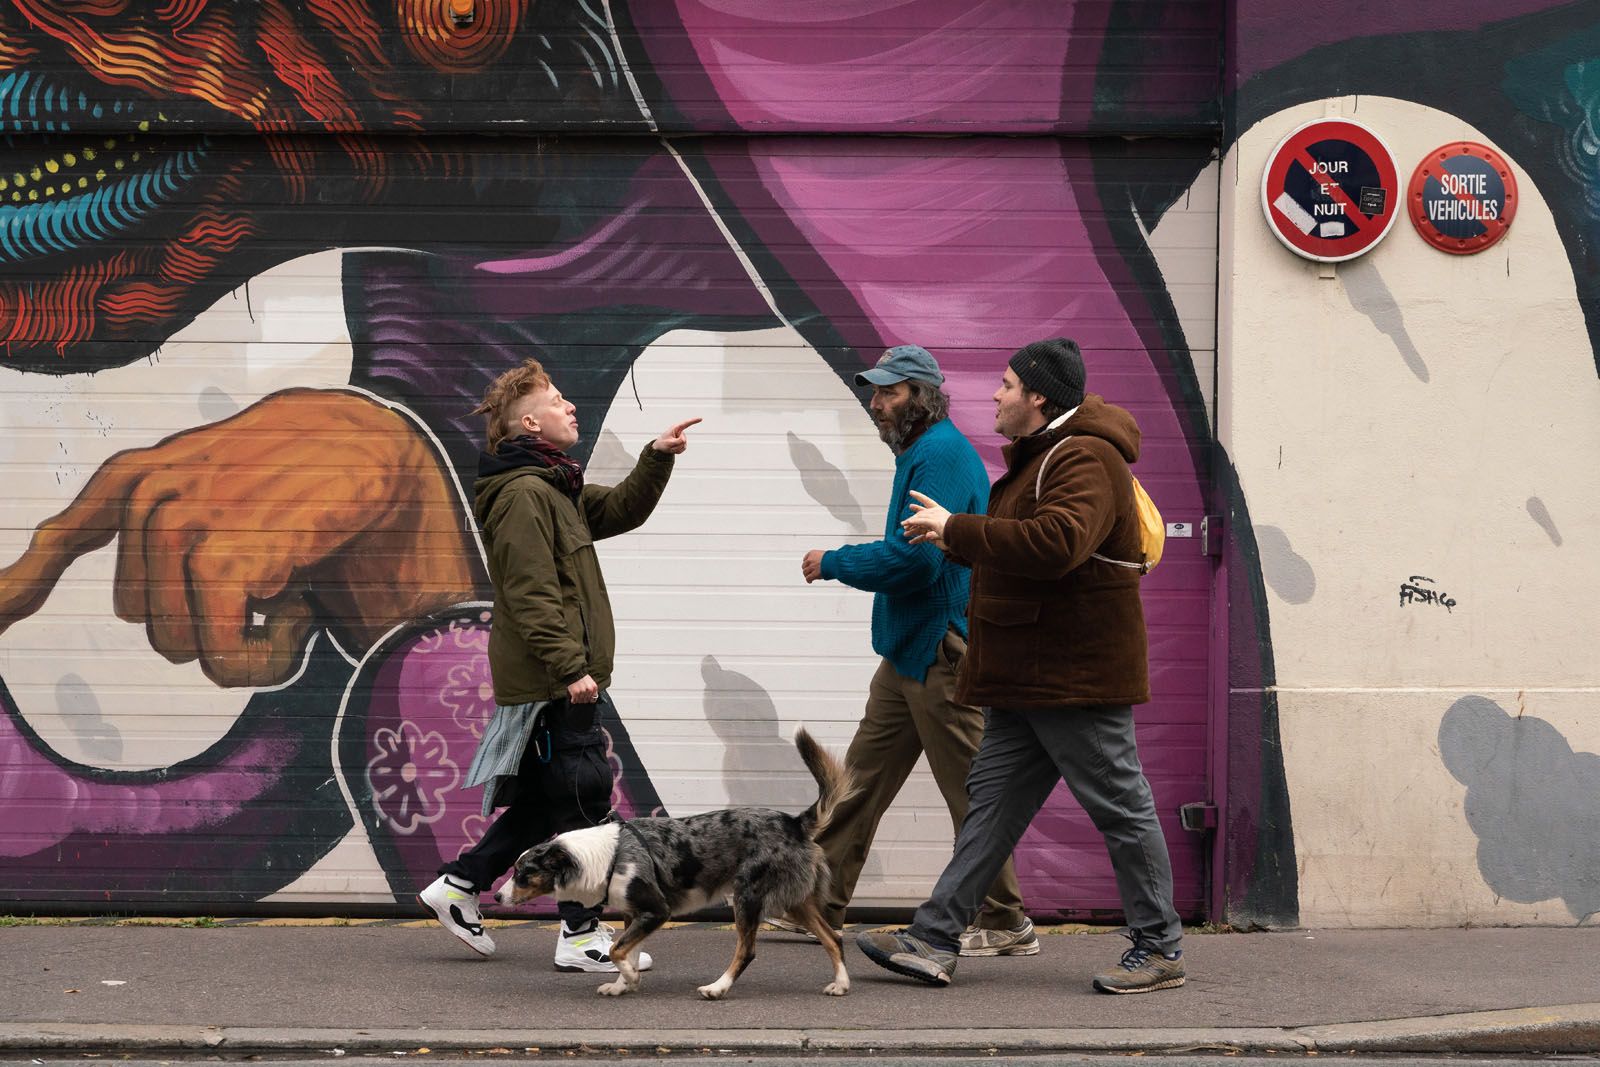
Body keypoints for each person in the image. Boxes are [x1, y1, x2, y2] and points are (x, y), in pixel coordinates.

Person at [856, 337, 1185, 994]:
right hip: (1025, 675)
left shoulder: (1086, 457)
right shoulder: (1043, 457)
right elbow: (1020, 554)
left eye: (1007, 384)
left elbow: (1057, 543)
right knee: (991, 808)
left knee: (1121, 805)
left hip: (1073, 677)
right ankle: (933, 936)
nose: (996, 395)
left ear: (1038, 396)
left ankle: (1159, 946)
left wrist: (957, 530)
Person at [419, 358, 699, 972]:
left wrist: (656, 456)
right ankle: (580, 936)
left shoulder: (553, 487)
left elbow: (620, 510)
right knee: (582, 799)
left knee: (551, 804)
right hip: (554, 678)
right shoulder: (524, 494)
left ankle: (460, 885)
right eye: (558, 399)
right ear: (528, 420)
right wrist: (571, 666)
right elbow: (530, 590)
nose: (571, 407)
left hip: (559, 674)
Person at [772, 344, 1035, 956]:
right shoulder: (920, 451)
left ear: (922, 394)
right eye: (876, 392)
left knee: (970, 788)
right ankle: (818, 901)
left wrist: (835, 561)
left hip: (940, 653)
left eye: (889, 392)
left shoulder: (939, 454)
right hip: (907, 654)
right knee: (856, 783)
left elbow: (918, 560)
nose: (877, 402)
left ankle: (1003, 920)